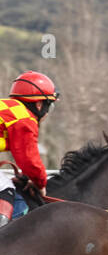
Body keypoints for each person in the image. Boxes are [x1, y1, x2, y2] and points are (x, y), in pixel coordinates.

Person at [0, 72, 59, 228]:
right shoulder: (24, 118)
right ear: (40, 105)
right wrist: (40, 184)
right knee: (5, 187)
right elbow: (28, 159)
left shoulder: (8, 107)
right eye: (49, 106)